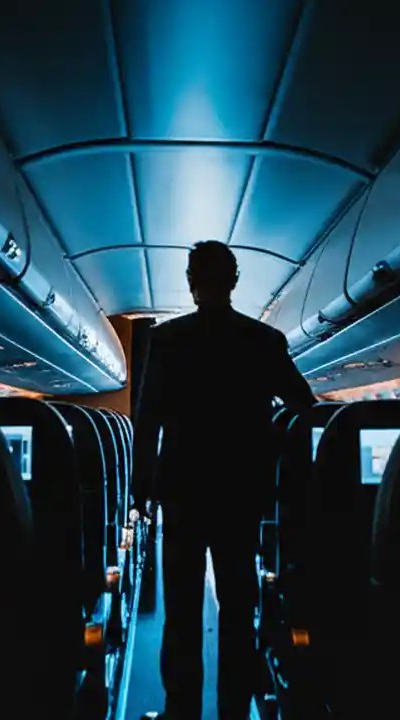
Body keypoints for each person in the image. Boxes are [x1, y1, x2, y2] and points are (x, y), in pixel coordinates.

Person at [132, 241, 316, 720]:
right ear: (234, 281)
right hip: (242, 493)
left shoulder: (167, 340)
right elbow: (305, 409)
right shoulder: (264, 341)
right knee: (238, 609)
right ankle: (235, 708)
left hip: (183, 493)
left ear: (191, 281)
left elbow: (147, 418)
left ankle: (181, 711)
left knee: (182, 613)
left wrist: (141, 486)